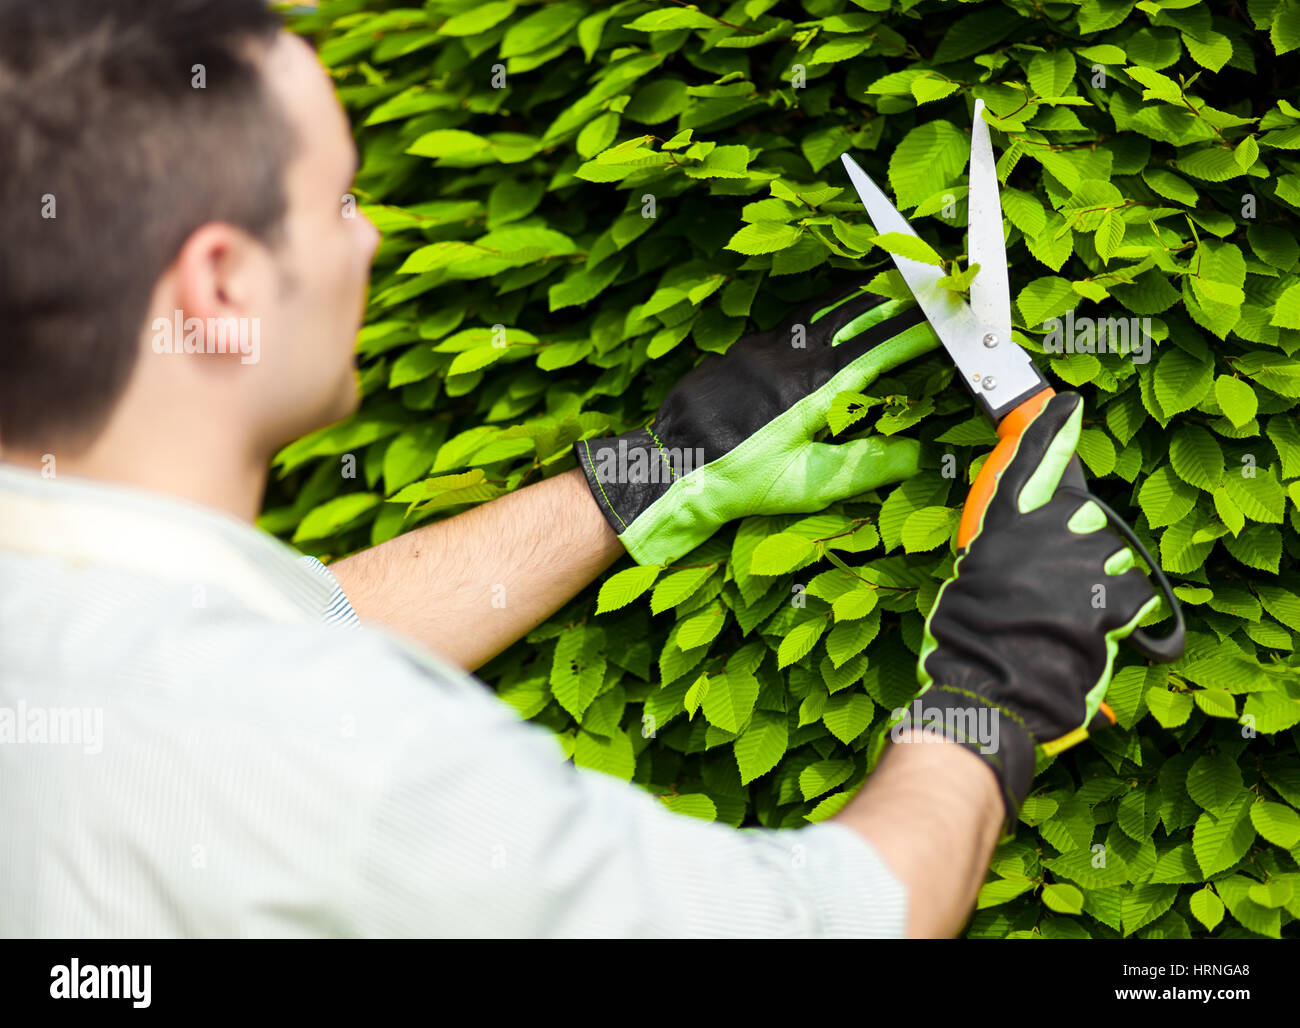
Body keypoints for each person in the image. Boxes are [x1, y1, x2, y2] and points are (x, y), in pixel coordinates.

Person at [0, 0, 1157, 938]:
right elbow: (833, 920)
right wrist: (992, 688)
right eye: (338, 201)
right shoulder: (339, 753)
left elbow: (303, 621)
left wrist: (649, 471)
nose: (372, 237)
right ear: (221, 288)